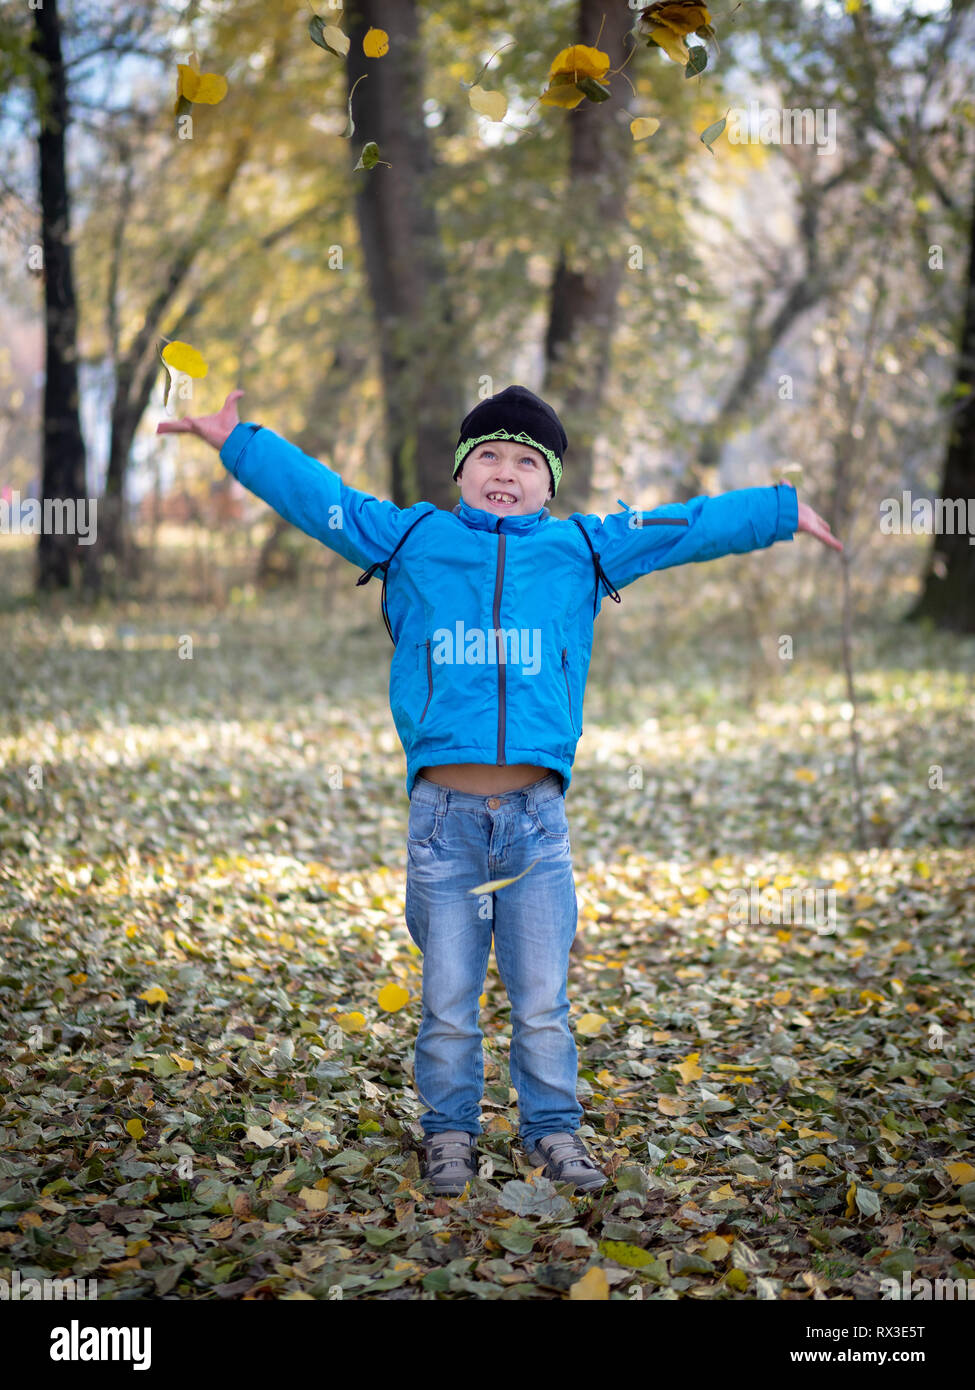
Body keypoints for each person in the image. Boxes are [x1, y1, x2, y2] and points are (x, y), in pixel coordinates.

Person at [157, 383, 842, 1198]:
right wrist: (240, 443)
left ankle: (553, 1132)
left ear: (551, 482)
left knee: (541, 1002)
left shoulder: (583, 549)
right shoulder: (412, 536)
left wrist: (777, 509)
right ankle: (448, 1133)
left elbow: (683, 526)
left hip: (535, 825)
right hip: (442, 824)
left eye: (527, 460)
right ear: (459, 470)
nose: (505, 472)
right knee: (447, 1001)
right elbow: (324, 502)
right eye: (488, 455)